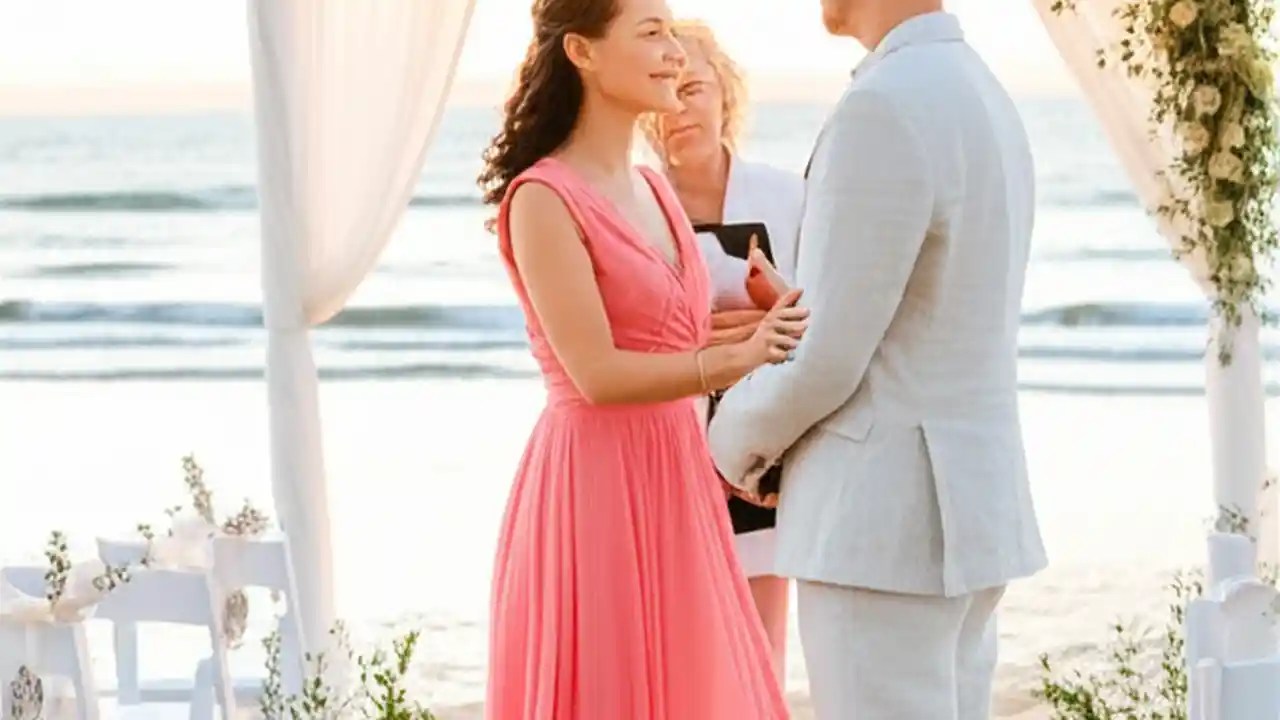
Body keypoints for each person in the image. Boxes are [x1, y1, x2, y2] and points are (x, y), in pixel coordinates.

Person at [707, 2, 1047, 718]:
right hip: (970, 506)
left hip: (880, 523)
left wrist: (728, 443)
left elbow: (829, 357)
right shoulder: (982, 90)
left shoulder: (882, 107)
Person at [475, 0, 804, 717]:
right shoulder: (541, 198)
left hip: (680, 471)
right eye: (651, 34)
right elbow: (596, 374)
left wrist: (766, 311)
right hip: (594, 485)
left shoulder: (654, 187)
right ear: (583, 53)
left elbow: (677, 331)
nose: (674, 54)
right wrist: (736, 359)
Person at [640, 19, 803, 680]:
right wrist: (703, 338)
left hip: (768, 455)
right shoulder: (636, 209)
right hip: (670, 452)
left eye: (696, 88)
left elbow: (826, 317)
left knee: (761, 662)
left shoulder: (786, 196)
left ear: (726, 96)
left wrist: (772, 314)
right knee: (683, 659)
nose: (680, 109)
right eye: (666, 93)